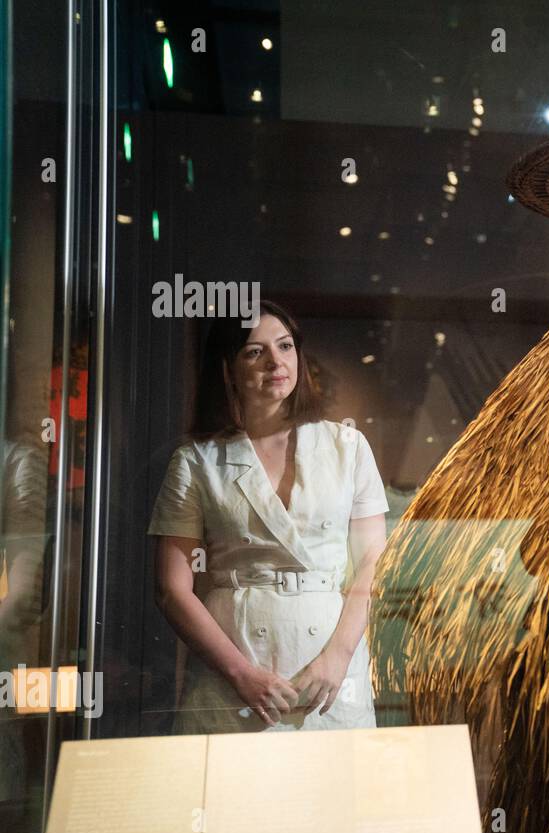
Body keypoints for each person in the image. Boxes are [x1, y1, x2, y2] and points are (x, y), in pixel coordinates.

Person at [149, 301, 389, 735]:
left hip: (332, 673)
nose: (276, 362)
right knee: (231, 799)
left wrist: (337, 657)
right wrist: (240, 674)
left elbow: (374, 562)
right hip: (234, 674)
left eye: (285, 346)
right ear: (228, 368)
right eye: (254, 352)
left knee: (335, 798)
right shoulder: (198, 461)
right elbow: (172, 588)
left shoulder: (348, 447)